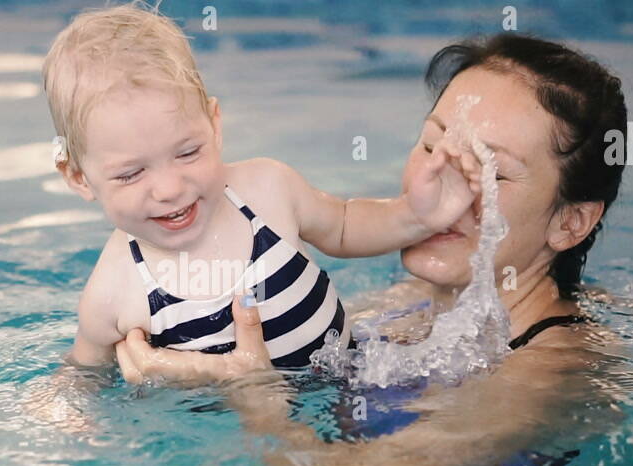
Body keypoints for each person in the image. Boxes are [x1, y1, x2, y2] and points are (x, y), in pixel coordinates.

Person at [114, 33, 630, 466]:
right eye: (433, 148)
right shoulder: (400, 307)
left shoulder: (546, 367)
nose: (447, 185)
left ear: (571, 221)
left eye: (489, 172)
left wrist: (252, 391)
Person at [41, 2, 481, 372]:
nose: (170, 188)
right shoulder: (114, 289)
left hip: (351, 384)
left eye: (188, 152)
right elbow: (84, 374)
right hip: (244, 437)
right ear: (79, 177)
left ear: (214, 126)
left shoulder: (266, 188)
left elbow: (345, 227)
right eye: (131, 174)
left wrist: (416, 214)